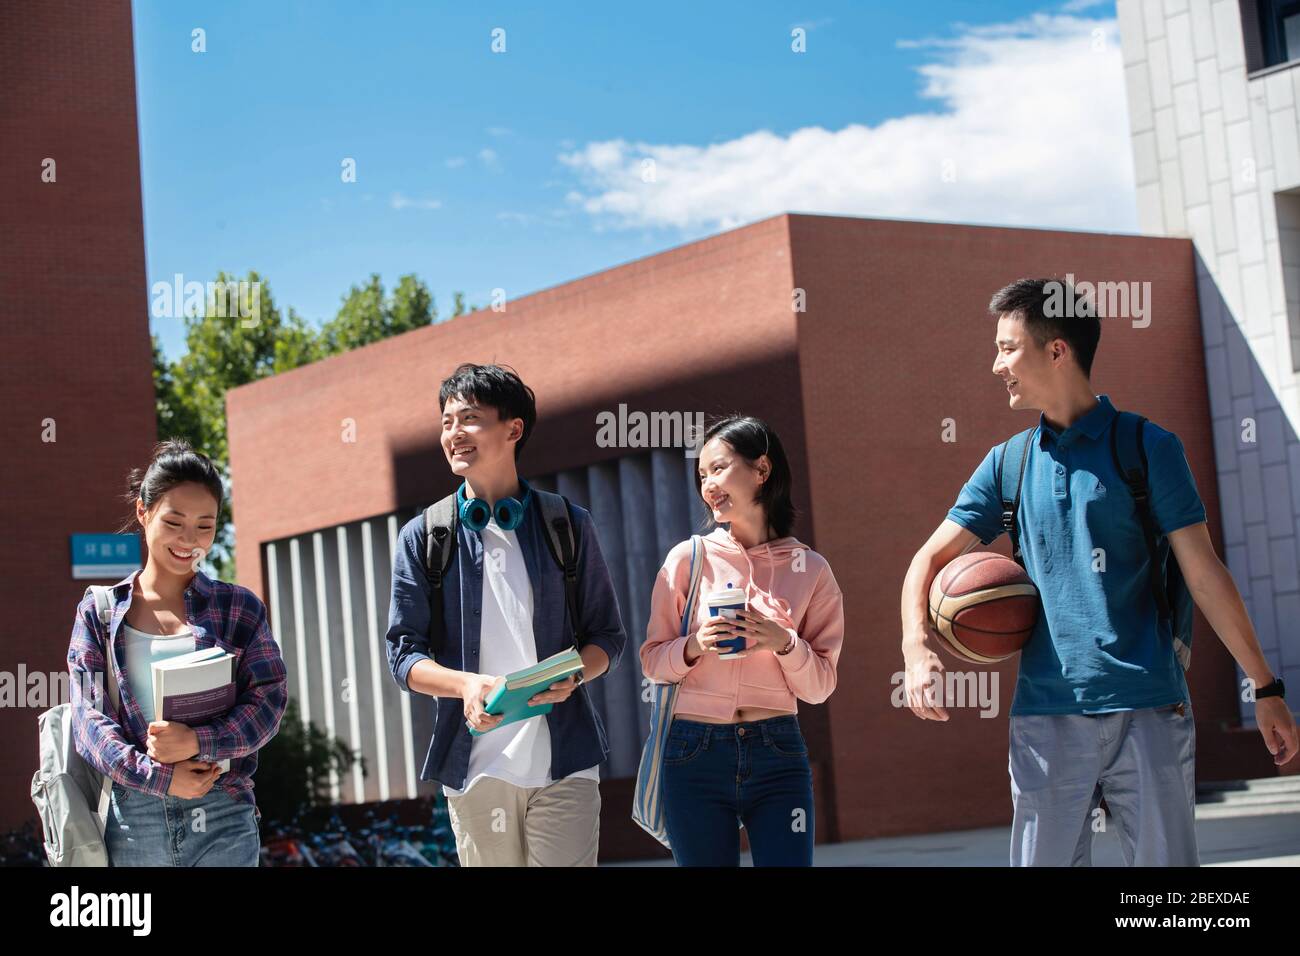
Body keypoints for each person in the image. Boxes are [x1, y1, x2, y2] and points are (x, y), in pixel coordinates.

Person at [900, 277, 1298, 866]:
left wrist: (1265, 686)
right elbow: (925, 562)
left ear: (1057, 349)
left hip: (1149, 706)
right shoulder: (1007, 463)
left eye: (1008, 348)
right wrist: (916, 646)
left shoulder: (1147, 447)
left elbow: (1203, 572)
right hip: (1044, 715)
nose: (996, 364)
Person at [385, 363, 627, 866]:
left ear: (512, 429)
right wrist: (466, 687)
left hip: (566, 763)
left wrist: (577, 674)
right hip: (476, 769)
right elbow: (403, 656)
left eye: (469, 419)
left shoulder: (568, 524)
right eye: (446, 422)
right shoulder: (424, 536)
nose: (453, 434)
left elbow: (607, 635)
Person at [68, 439, 288, 866]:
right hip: (134, 819)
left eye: (205, 526)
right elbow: (89, 722)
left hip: (223, 809)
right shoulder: (99, 611)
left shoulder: (238, 607)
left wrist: (199, 741)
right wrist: (161, 777)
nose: (190, 540)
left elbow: (269, 701)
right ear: (142, 512)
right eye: (174, 522)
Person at [640, 415, 844, 866]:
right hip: (693, 752)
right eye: (702, 475)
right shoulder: (687, 559)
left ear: (762, 470)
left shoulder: (811, 570)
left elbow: (820, 685)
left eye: (718, 468)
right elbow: (652, 662)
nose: (708, 484)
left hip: (779, 752)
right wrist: (695, 645)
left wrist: (784, 642)